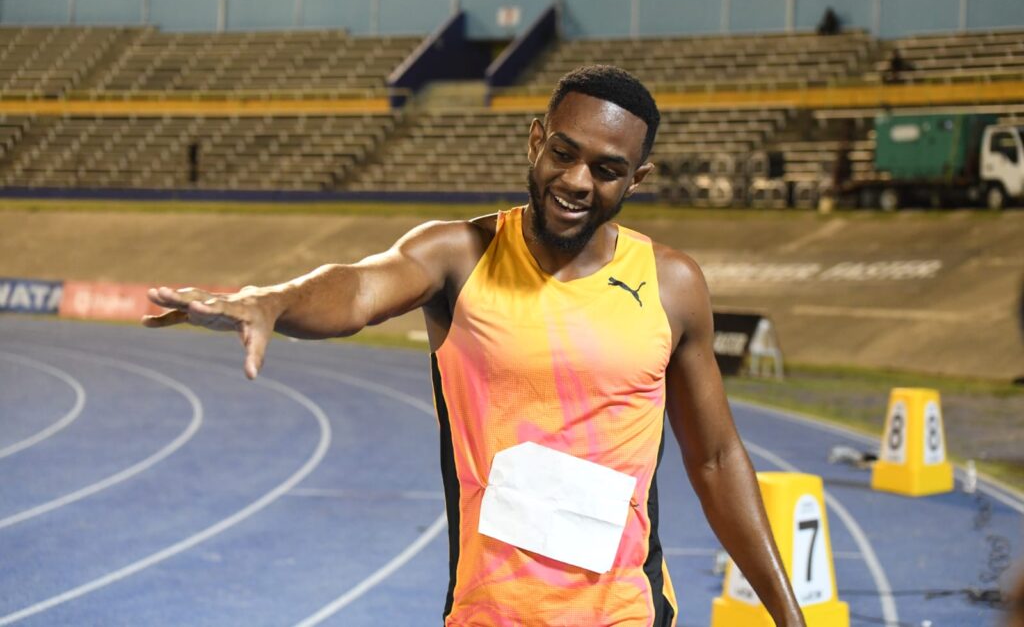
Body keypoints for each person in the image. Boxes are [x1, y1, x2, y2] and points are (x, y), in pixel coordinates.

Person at [143, 65, 805, 627]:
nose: (577, 181)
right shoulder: (459, 255)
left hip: (627, 613)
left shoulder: (671, 284)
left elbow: (716, 458)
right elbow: (358, 289)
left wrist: (789, 616)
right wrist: (272, 300)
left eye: (607, 170)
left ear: (637, 178)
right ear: (535, 140)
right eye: (564, 153)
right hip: (489, 612)